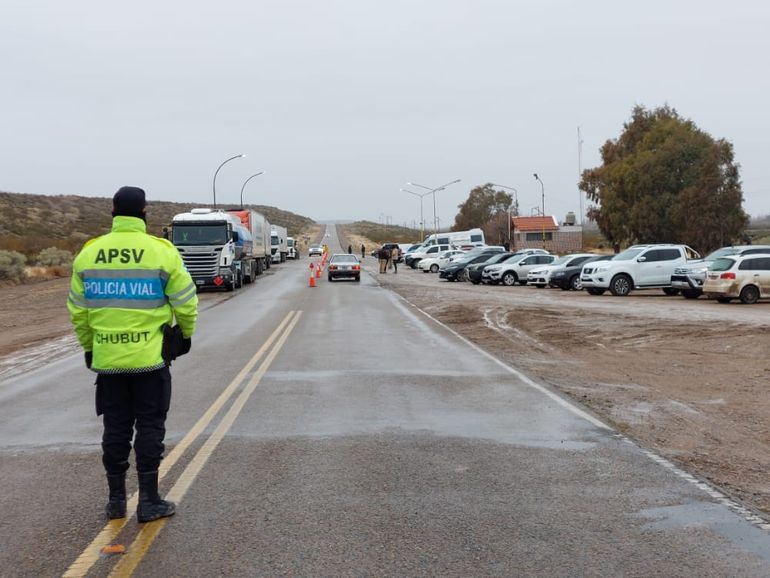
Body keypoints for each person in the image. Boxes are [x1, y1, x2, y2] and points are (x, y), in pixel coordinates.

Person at [67, 186, 198, 523]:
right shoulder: (162, 252)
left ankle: (115, 501)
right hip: (149, 360)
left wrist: (89, 346)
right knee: (150, 426)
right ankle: (149, 500)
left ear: (113, 211)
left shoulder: (89, 254)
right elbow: (186, 300)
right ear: (144, 212)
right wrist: (185, 334)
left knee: (115, 429)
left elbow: (78, 311)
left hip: (108, 362)